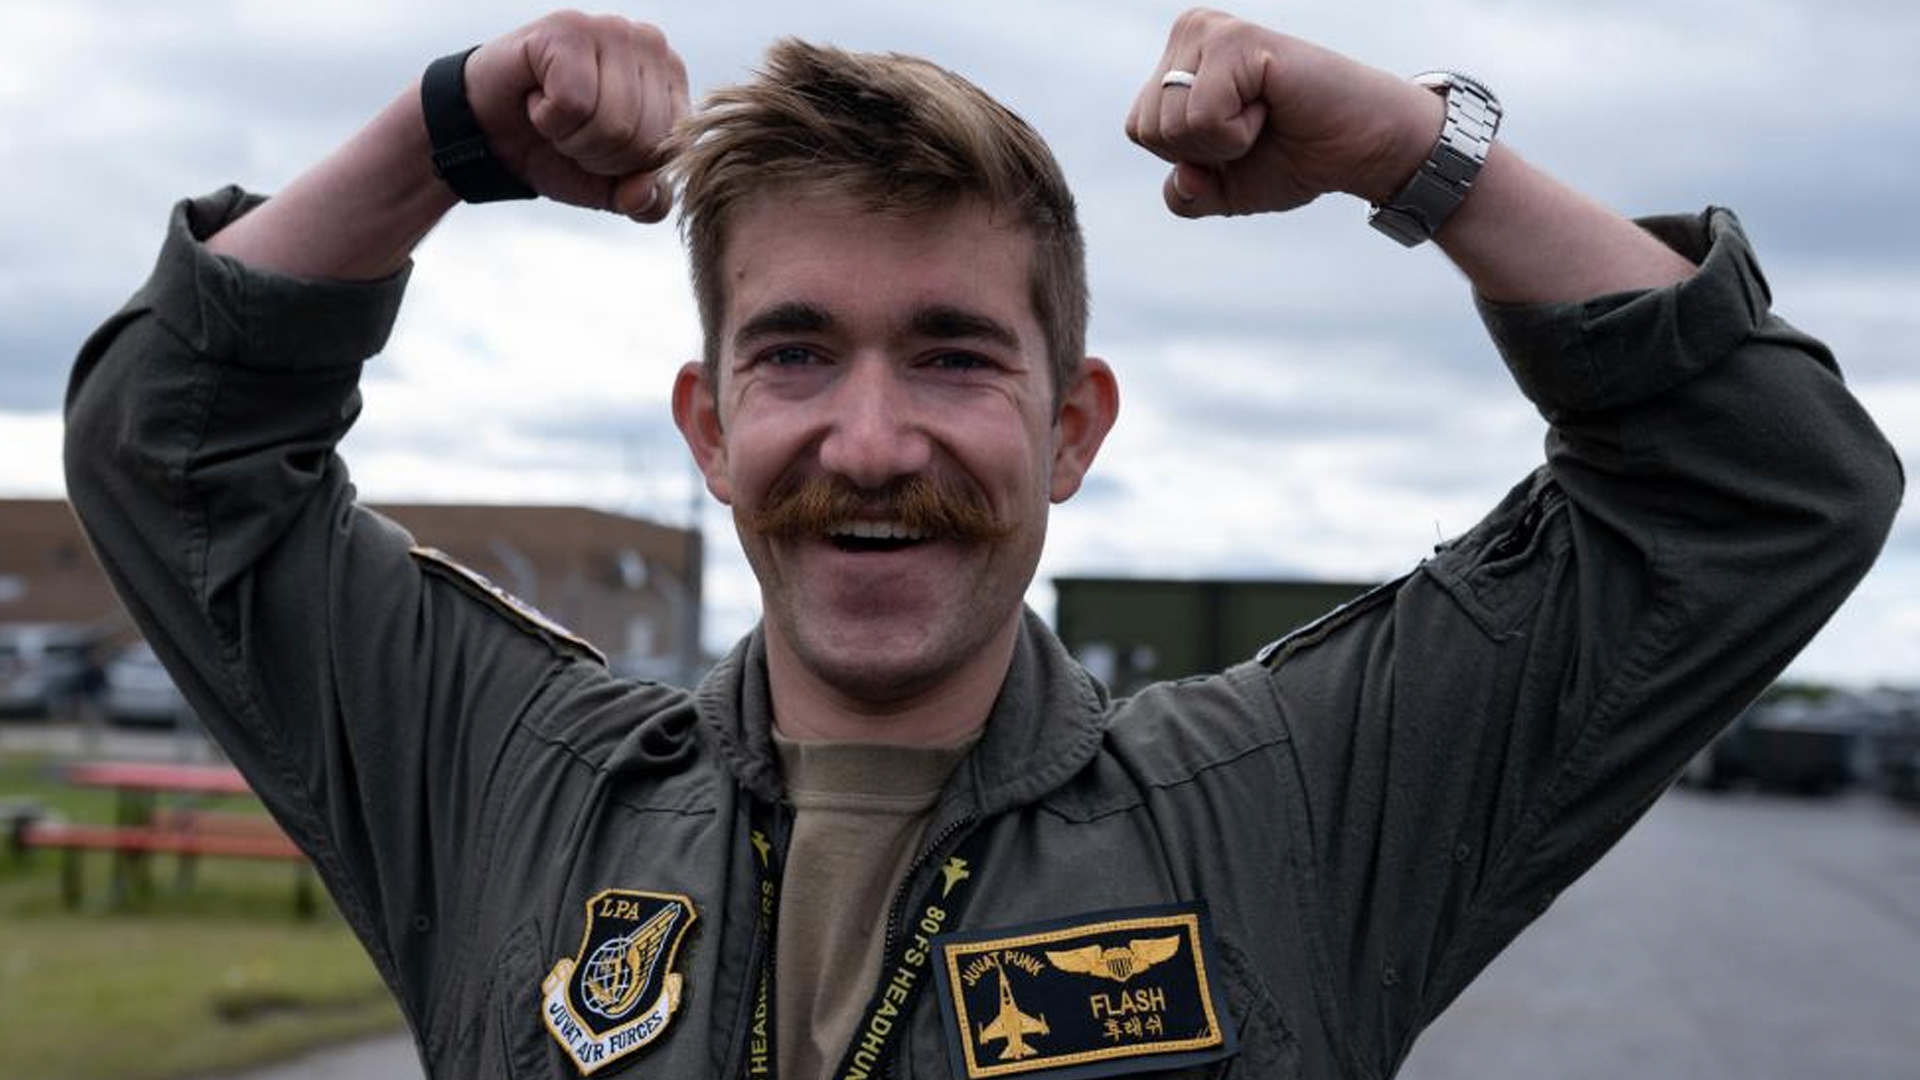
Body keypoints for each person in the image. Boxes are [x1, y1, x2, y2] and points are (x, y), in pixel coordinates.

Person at [63, 8, 1899, 1080]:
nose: (871, 441)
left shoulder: (1291, 806)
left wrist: (1409, 154)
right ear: (709, 429)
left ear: (1072, 424)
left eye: (952, 351)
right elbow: (176, 457)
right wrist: (447, 126)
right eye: (794, 353)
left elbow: (1754, 482)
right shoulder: (507, 782)